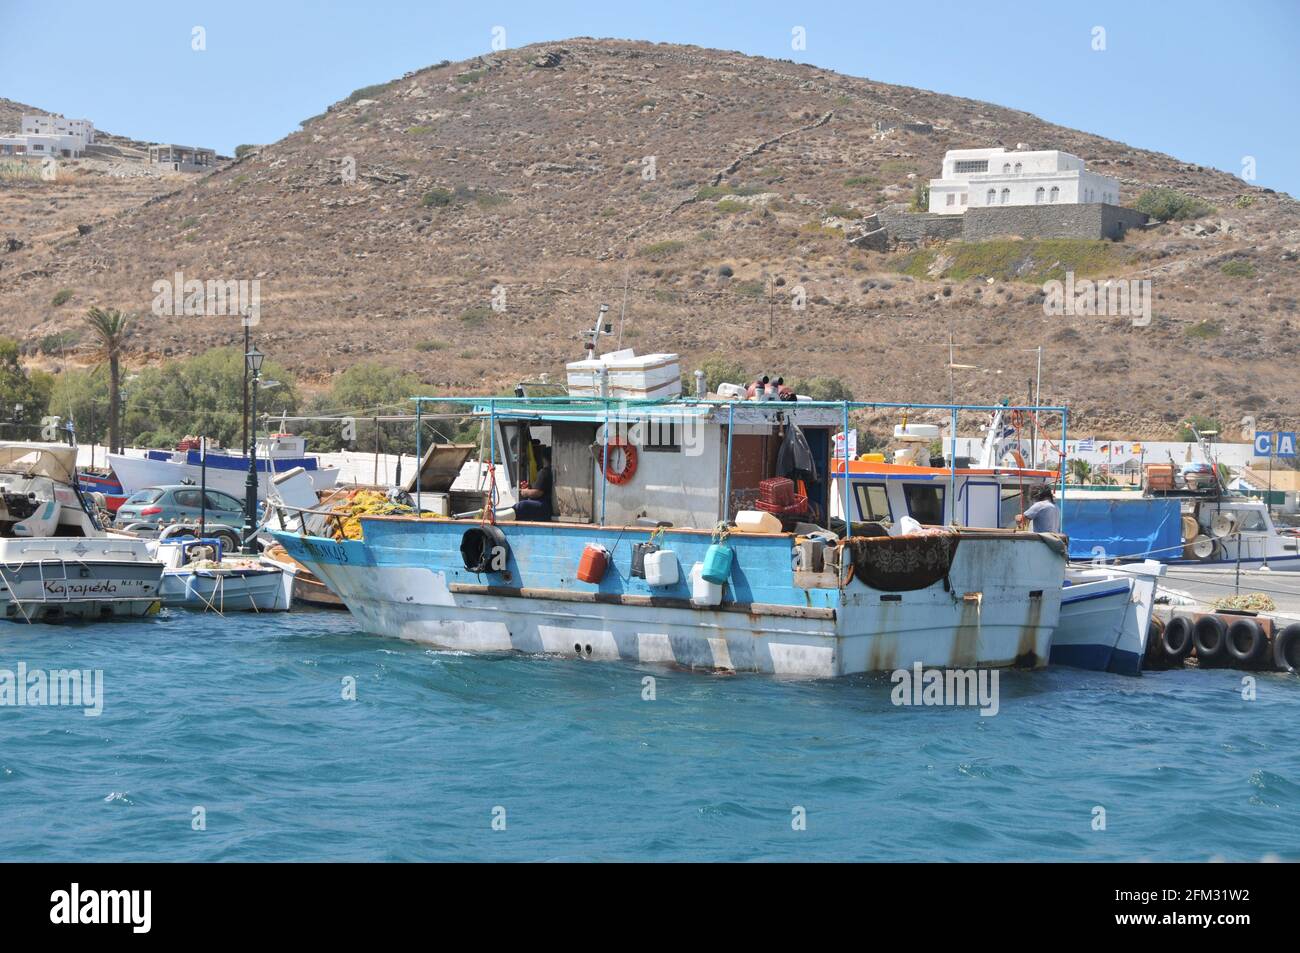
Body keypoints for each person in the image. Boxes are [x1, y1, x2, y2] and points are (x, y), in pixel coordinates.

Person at [514, 444, 553, 521]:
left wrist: (525, 492)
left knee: (521, 506)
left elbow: (537, 492)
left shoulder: (544, 472)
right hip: (548, 506)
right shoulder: (553, 472)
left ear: (543, 458)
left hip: (544, 506)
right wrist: (529, 487)